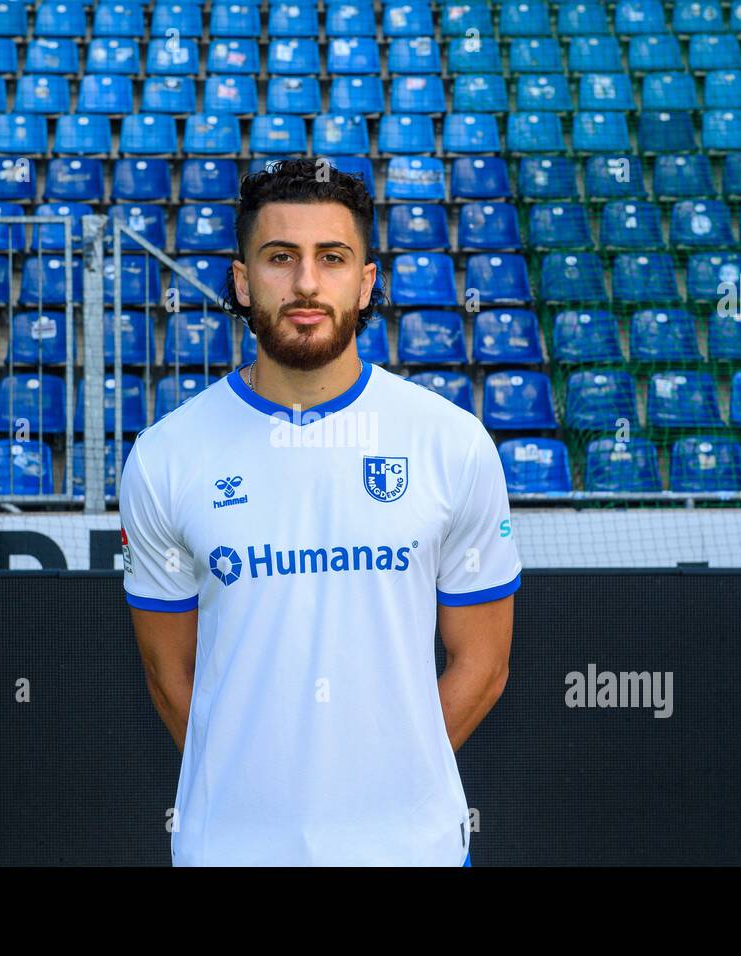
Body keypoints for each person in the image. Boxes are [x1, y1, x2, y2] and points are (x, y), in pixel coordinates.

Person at [119, 157, 520, 865]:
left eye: (331, 258)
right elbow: (167, 676)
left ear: (366, 284)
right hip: (230, 850)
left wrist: (372, 789)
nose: (306, 282)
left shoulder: (450, 443)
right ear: (242, 282)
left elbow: (482, 664)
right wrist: (266, 791)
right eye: (280, 258)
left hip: (409, 851)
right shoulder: (166, 457)